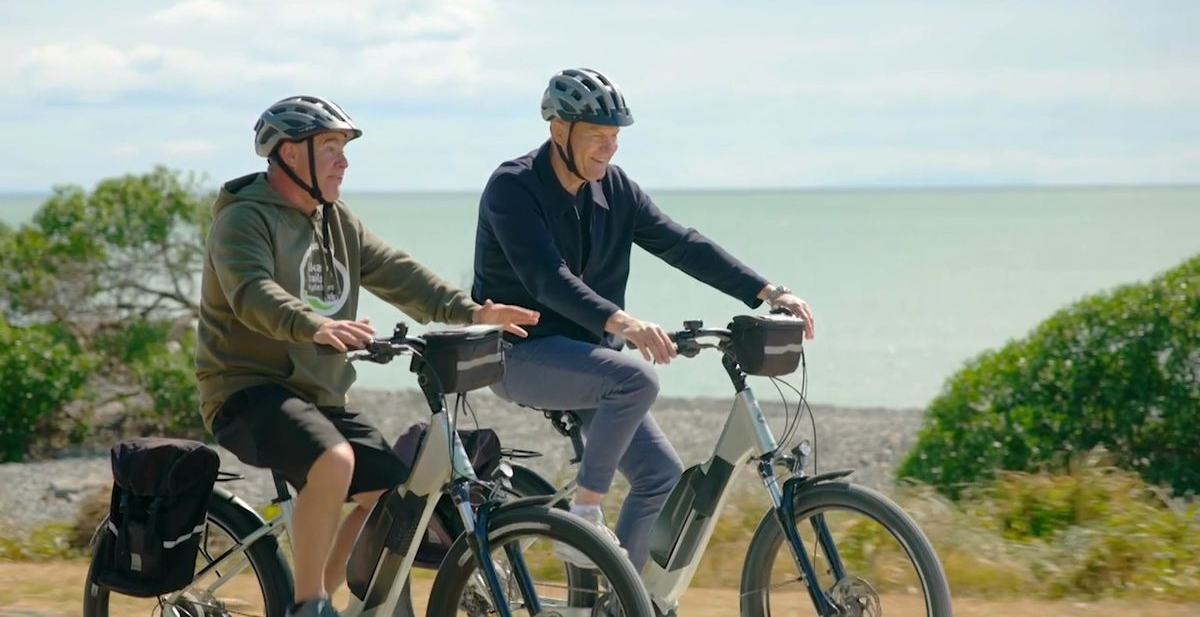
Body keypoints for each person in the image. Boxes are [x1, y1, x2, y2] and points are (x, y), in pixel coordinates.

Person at [196, 95, 539, 617]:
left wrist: (469, 312)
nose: (343, 161)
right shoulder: (243, 221)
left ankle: (317, 599)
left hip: (318, 394)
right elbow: (251, 292)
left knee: (389, 494)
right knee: (334, 462)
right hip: (247, 390)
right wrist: (316, 325)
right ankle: (309, 605)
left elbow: (396, 271)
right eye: (330, 147)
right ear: (290, 154)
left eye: (343, 148)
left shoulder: (335, 221)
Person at [472, 68, 816, 572]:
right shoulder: (514, 188)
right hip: (518, 353)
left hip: (588, 360)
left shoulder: (615, 190)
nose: (608, 150)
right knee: (635, 378)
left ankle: (620, 602)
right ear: (559, 130)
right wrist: (623, 323)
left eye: (614, 138)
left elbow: (681, 244)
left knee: (660, 475)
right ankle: (583, 517)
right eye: (597, 137)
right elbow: (547, 278)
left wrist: (767, 291)